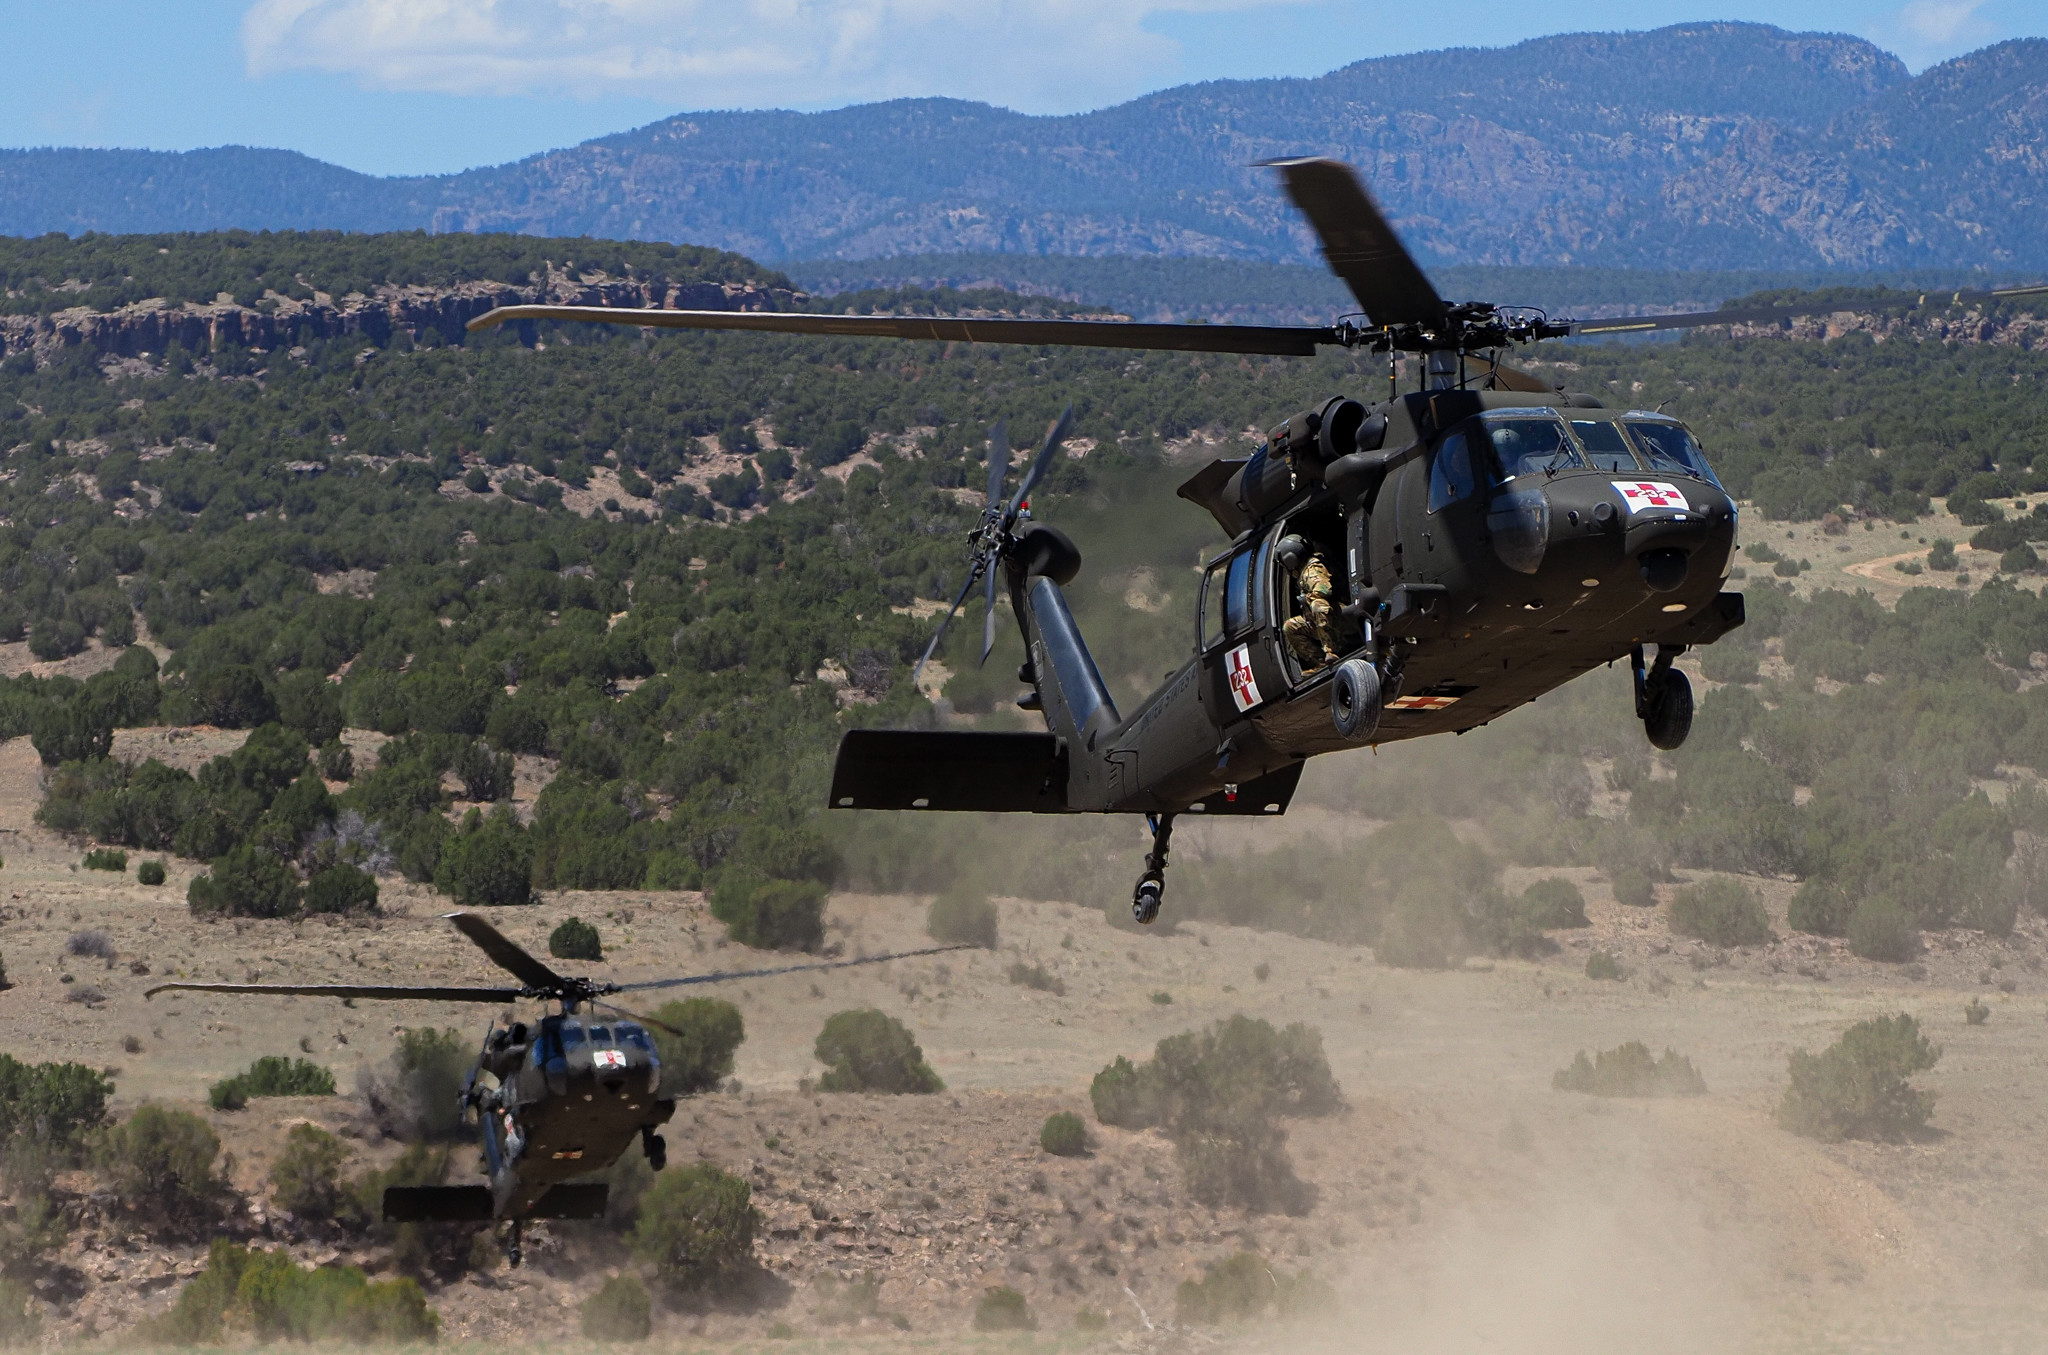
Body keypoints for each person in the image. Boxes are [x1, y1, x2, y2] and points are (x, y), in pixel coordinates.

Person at [1277, 534, 1338, 670]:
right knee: (1290, 627)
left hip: (1337, 619)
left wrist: (1307, 598)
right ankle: (1321, 664)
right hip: (1321, 623)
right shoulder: (1304, 572)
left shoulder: (1311, 570)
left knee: (1318, 604)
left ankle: (1330, 651)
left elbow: (1323, 590)